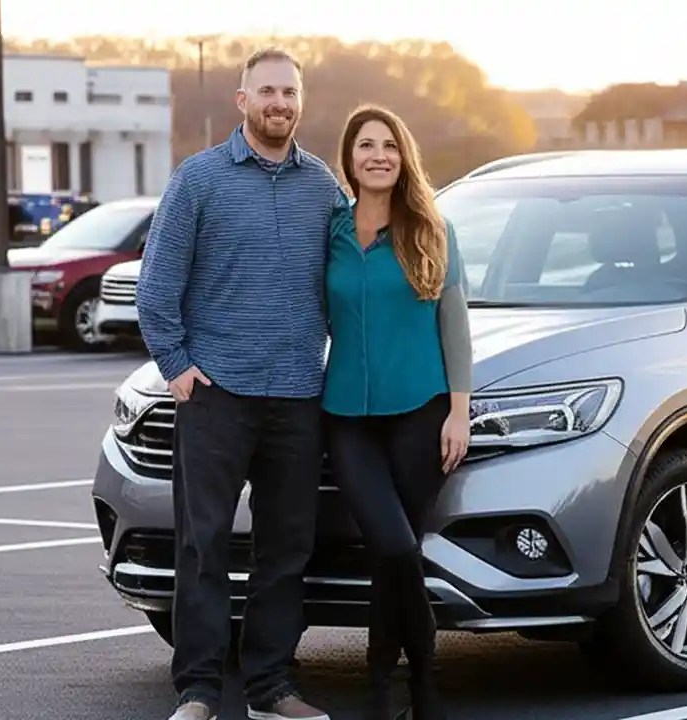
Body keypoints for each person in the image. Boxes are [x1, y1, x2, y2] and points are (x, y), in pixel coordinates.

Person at [136, 47, 339, 720]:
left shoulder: (323, 188)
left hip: (297, 398)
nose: (279, 102)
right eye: (267, 91)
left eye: (289, 92)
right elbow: (157, 287)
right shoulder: (198, 180)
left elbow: (352, 285)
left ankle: (270, 688)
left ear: (300, 102)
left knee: (286, 550)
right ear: (242, 100)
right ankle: (197, 689)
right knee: (203, 545)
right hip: (217, 395)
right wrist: (177, 367)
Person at [323, 104, 472, 720]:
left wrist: (459, 411)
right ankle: (425, 675)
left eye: (388, 144)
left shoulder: (432, 228)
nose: (378, 155)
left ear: (402, 155)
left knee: (395, 549)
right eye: (365, 146)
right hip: (346, 416)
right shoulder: (327, 230)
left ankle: (385, 685)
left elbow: (454, 324)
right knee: (393, 546)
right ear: (350, 160)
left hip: (422, 413)